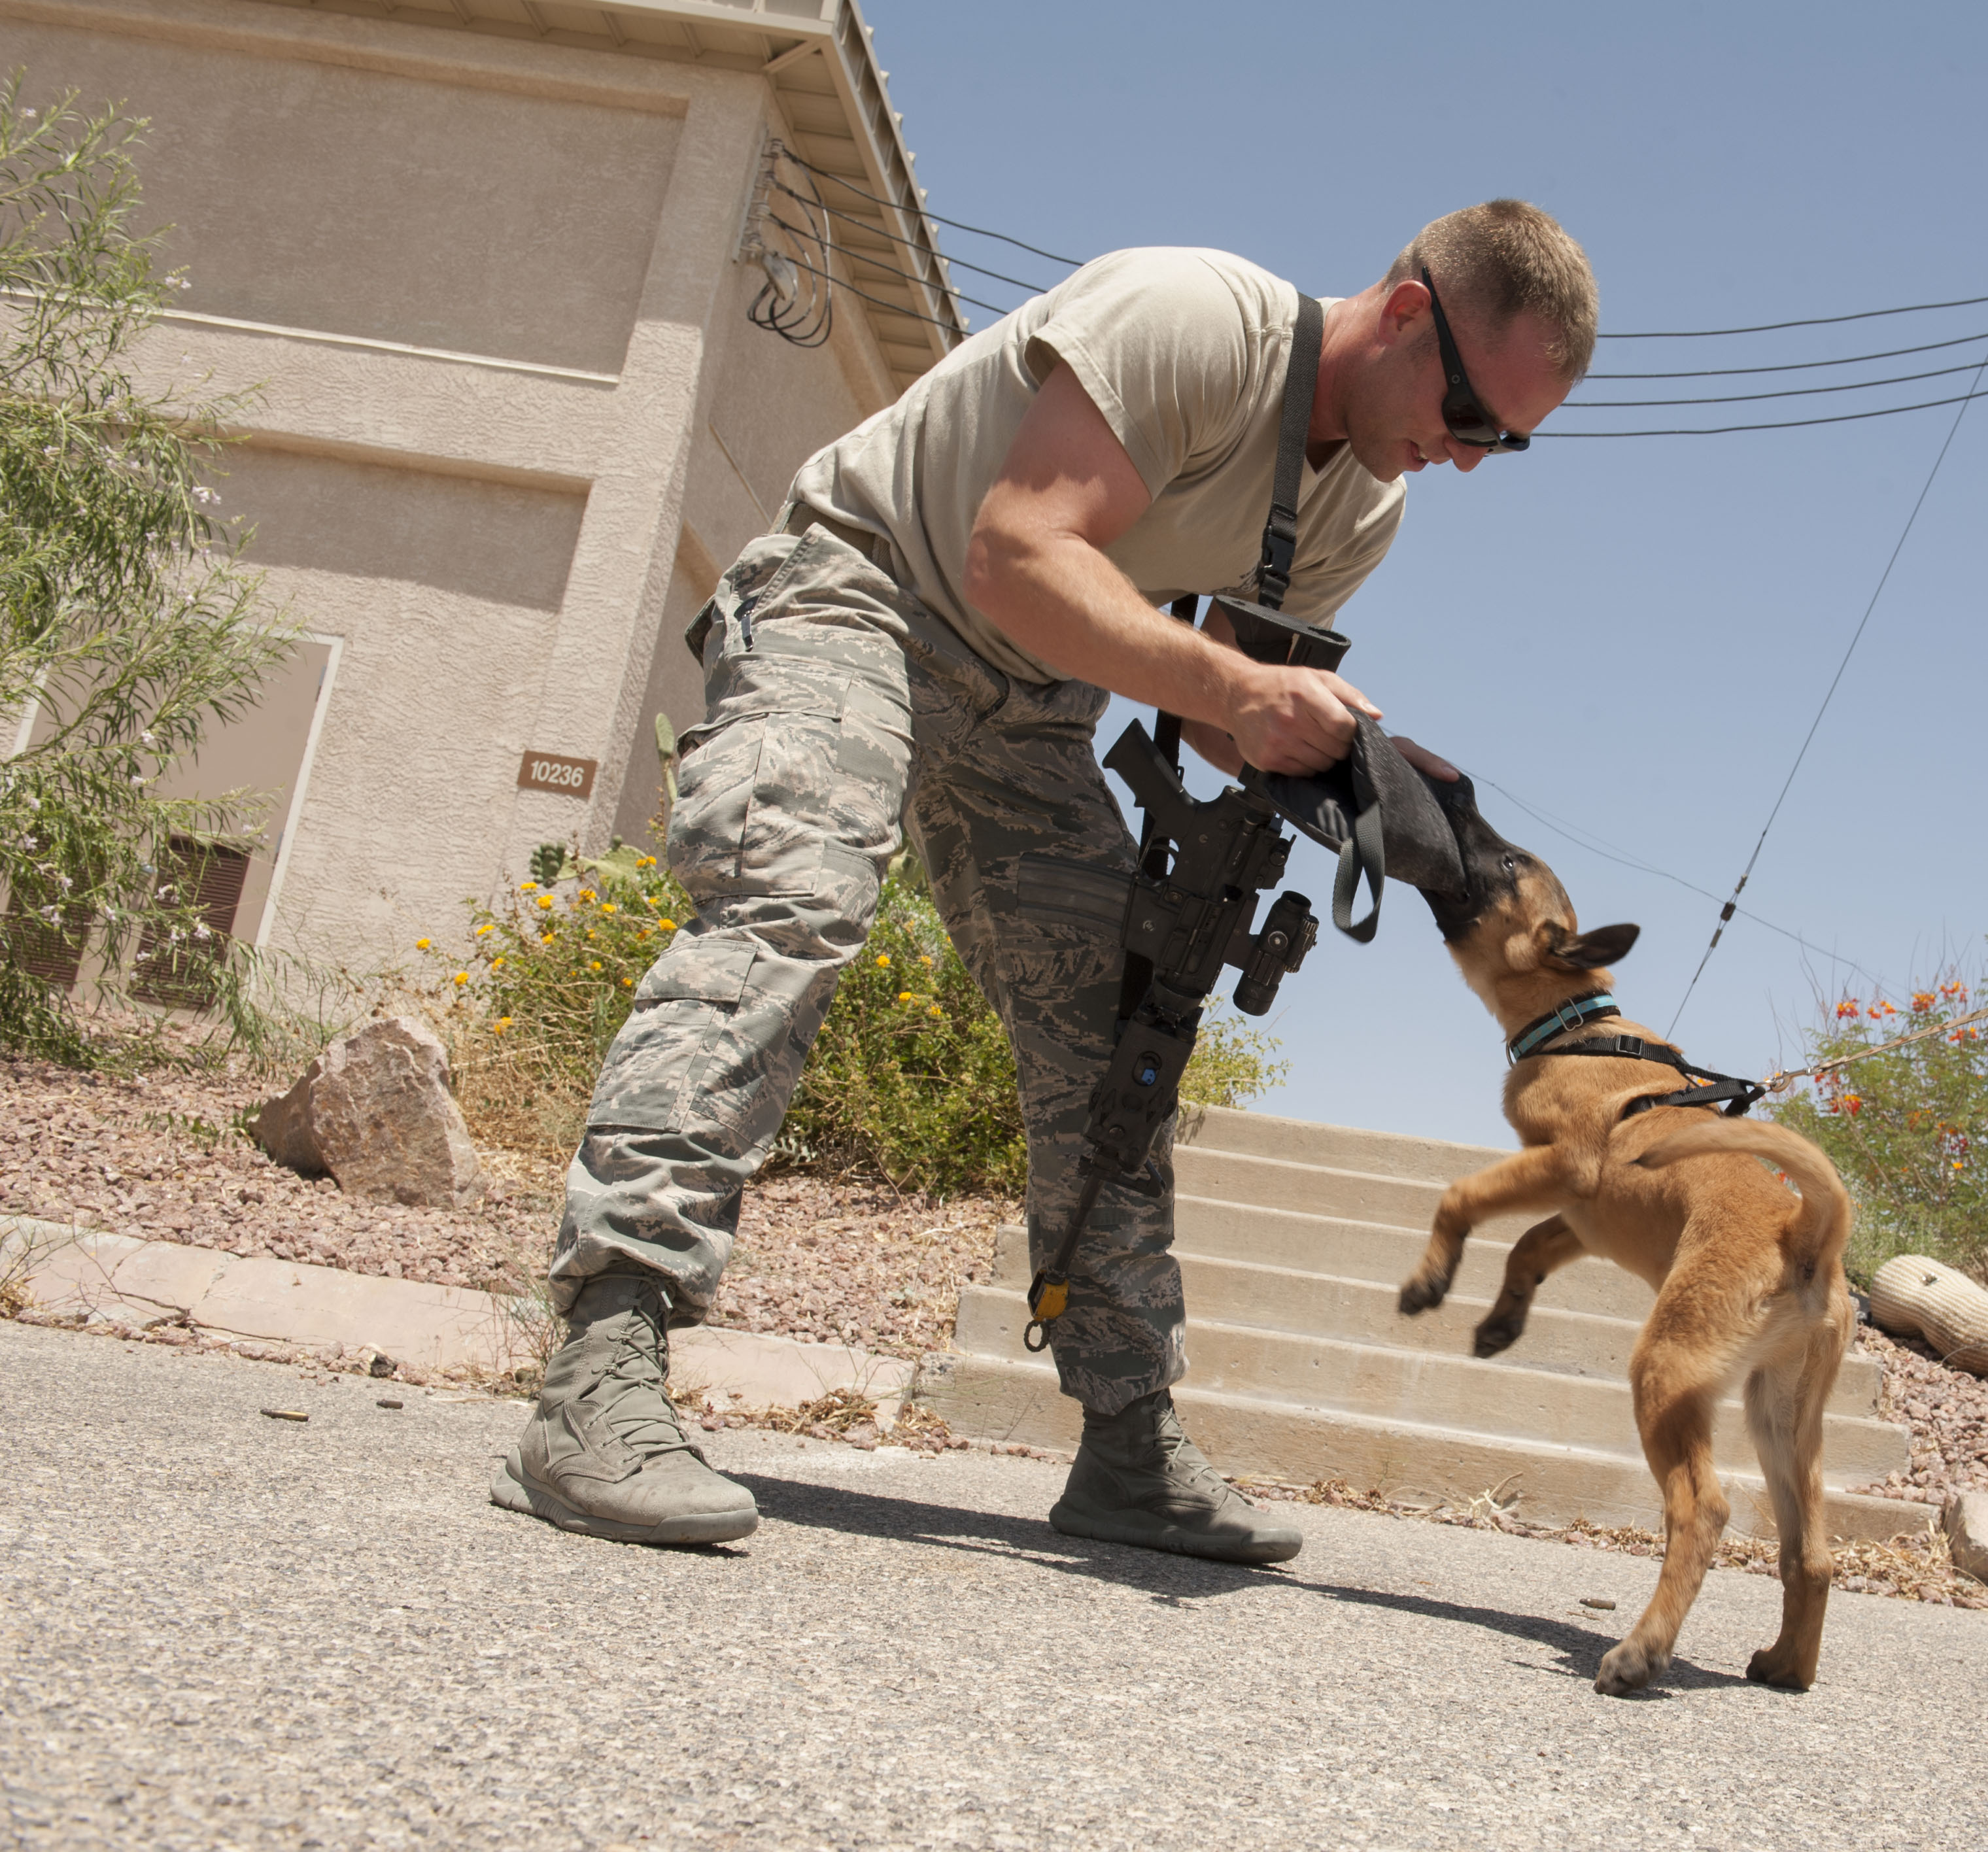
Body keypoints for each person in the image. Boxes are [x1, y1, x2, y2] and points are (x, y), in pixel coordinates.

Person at [489, 201, 1599, 1563]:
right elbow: (1015, 551)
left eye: (1509, 444)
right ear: (1411, 314)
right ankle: (597, 1368)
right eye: (1473, 414)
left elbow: (1213, 712)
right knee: (795, 899)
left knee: (1112, 1027)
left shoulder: (1360, 498)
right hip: (867, 597)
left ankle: (1127, 1440)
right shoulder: (1192, 319)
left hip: (1035, 701)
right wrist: (1244, 690)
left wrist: (1370, 774)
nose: (1473, 462)